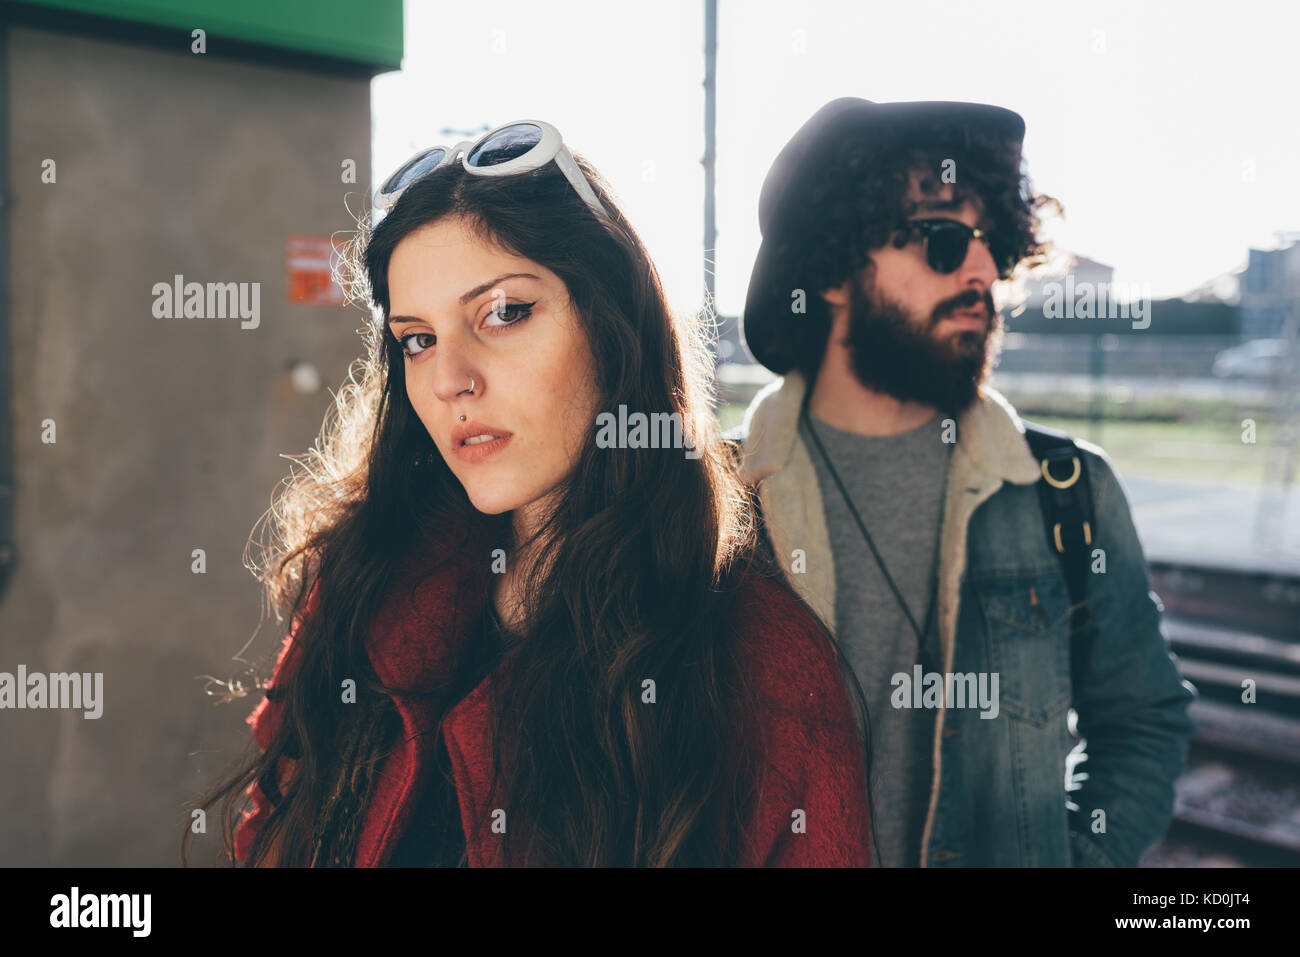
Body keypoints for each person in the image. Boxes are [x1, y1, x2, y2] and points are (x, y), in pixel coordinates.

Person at [183, 120, 873, 867]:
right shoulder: (364, 578)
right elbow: (269, 837)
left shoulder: (762, 668)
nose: (450, 379)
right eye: (418, 338)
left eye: (504, 312)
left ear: (614, 327)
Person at [730, 98, 1196, 867]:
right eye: (944, 238)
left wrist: (1079, 857)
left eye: (994, 248)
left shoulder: (1067, 493)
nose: (982, 270)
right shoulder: (712, 502)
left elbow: (1143, 717)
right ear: (832, 270)